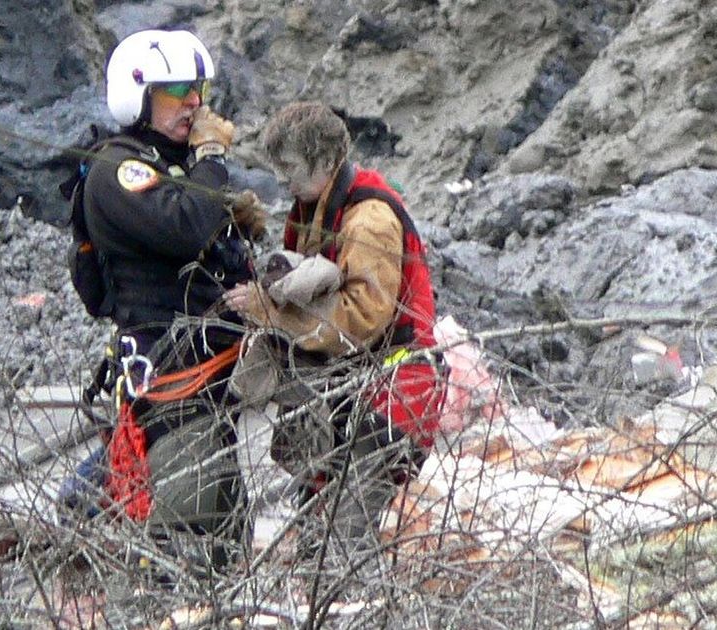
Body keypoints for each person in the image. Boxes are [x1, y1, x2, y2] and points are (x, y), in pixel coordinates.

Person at [60, 29, 266, 568]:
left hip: (210, 372)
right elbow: (181, 229)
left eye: (197, 87)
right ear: (140, 95)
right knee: (190, 535)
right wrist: (213, 161)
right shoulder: (118, 170)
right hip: (173, 380)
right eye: (176, 89)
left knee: (225, 522)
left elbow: (198, 234)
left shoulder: (168, 165)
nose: (194, 102)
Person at [223, 101, 445, 566]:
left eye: (290, 169)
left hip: (392, 396)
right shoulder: (318, 206)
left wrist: (273, 313)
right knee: (316, 533)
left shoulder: (369, 219)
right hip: (348, 393)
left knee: (344, 539)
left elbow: (363, 317)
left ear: (326, 162)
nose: (282, 180)